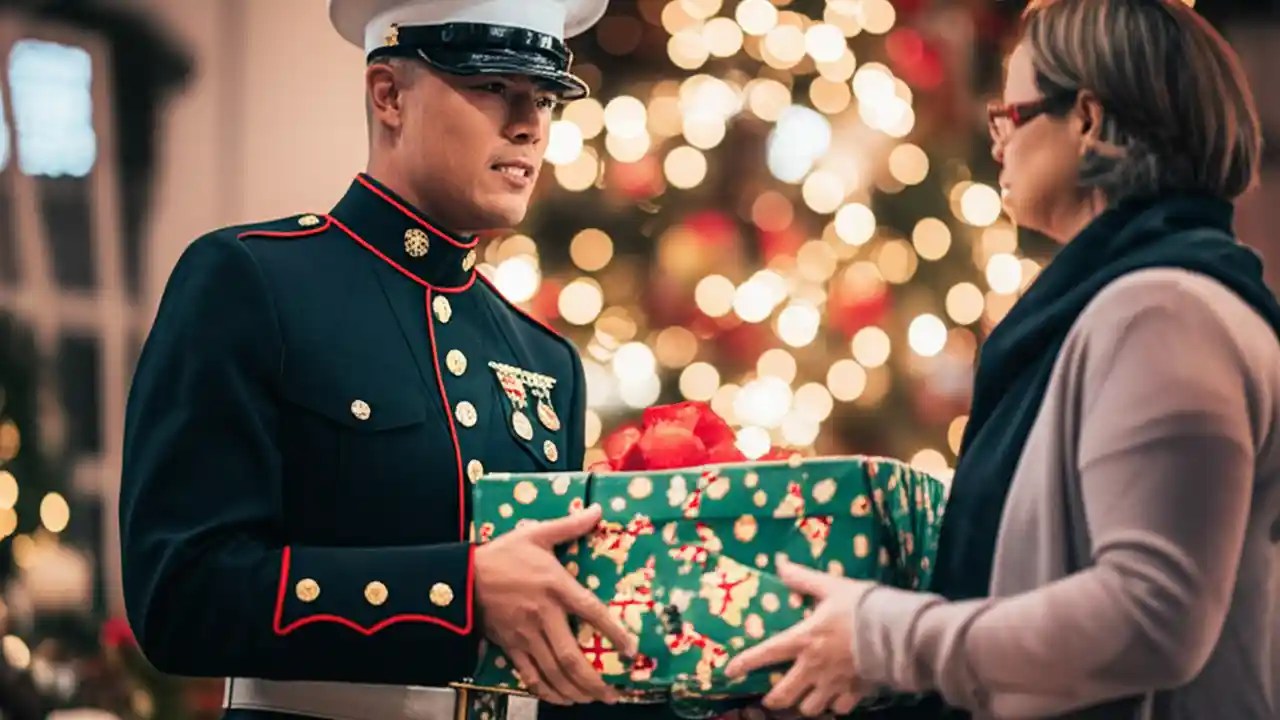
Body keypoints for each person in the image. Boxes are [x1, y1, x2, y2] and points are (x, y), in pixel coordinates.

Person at [725, 1, 1280, 718]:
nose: (996, 145)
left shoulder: (1162, 313)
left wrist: (884, 636)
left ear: (1087, 119)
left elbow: (1151, 615)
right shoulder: (1138, 302)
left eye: (1010, 116)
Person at [117, 1, 648, 718]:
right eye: (494, 86)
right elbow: (178, 597)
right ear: (388, 96)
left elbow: (551, 657)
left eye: (546, 97)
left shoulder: (545, 358)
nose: (529, 123)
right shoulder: (253, 280)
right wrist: (458, 592)